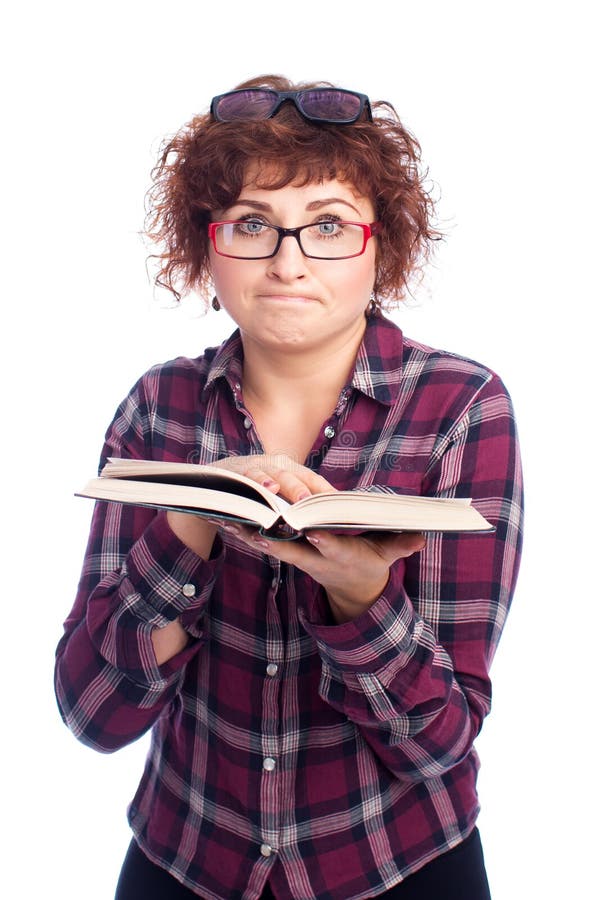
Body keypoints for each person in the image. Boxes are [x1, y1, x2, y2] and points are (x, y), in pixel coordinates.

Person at [54, 75, 523, 900]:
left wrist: (364, 598)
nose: (288, 262)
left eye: (328, 226)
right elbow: (94, 715)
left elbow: (439, 743)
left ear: (383, 242)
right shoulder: (157, 407)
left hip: (400, 867)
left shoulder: (463, 408)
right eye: (253, 226)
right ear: (208, 243)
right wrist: (192, 519)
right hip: (187, 860)